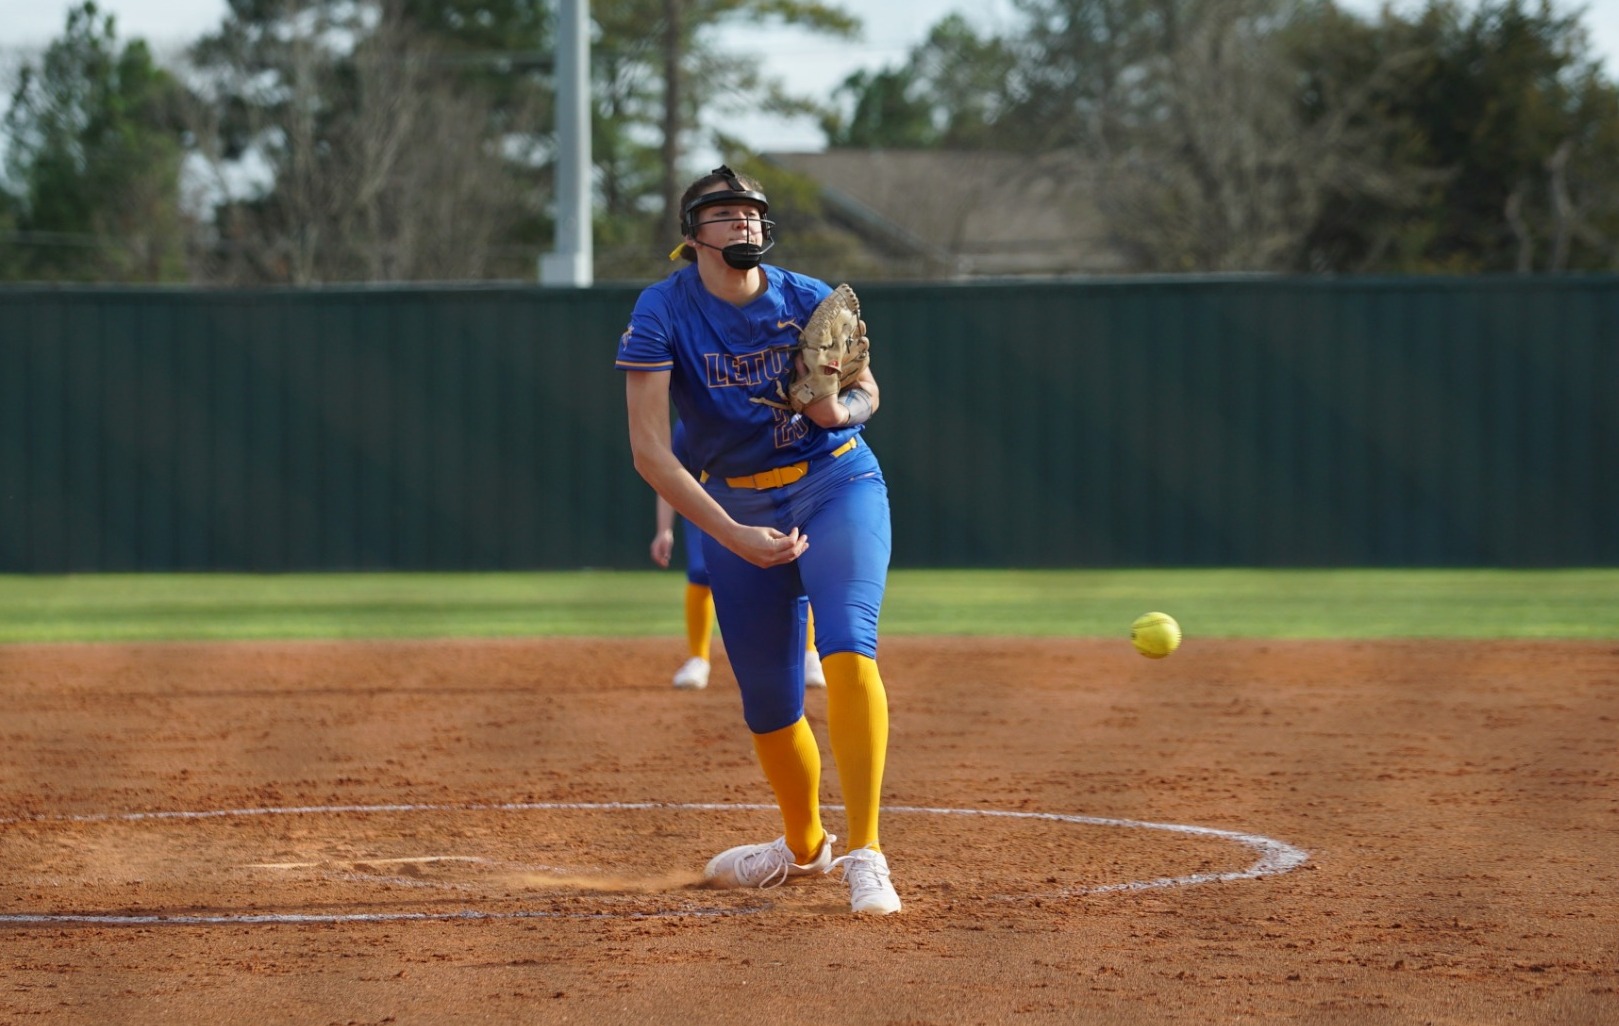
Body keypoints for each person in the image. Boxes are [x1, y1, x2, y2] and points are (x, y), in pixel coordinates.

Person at [618, 165, 900, 914]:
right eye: (724, 213)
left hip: (835, 484)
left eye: (751, 212)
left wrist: (846, 407)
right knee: (770, 707)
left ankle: (866, 851)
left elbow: (869, 386)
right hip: (736, 505)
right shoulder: (663, 311)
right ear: (691, 235)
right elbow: (651, 454)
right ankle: (805, 850)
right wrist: (731, 535)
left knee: (846, 646)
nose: (743, 222)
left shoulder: (807, 297)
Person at [651, 421, 826, 691]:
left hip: (765, 499)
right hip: (706, 506)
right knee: (700, 573)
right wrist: (664, 530)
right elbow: (669, 476)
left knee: (791, 566)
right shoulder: (690, 425)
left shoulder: (758, 411)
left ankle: (809, 654)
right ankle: (698, 659)